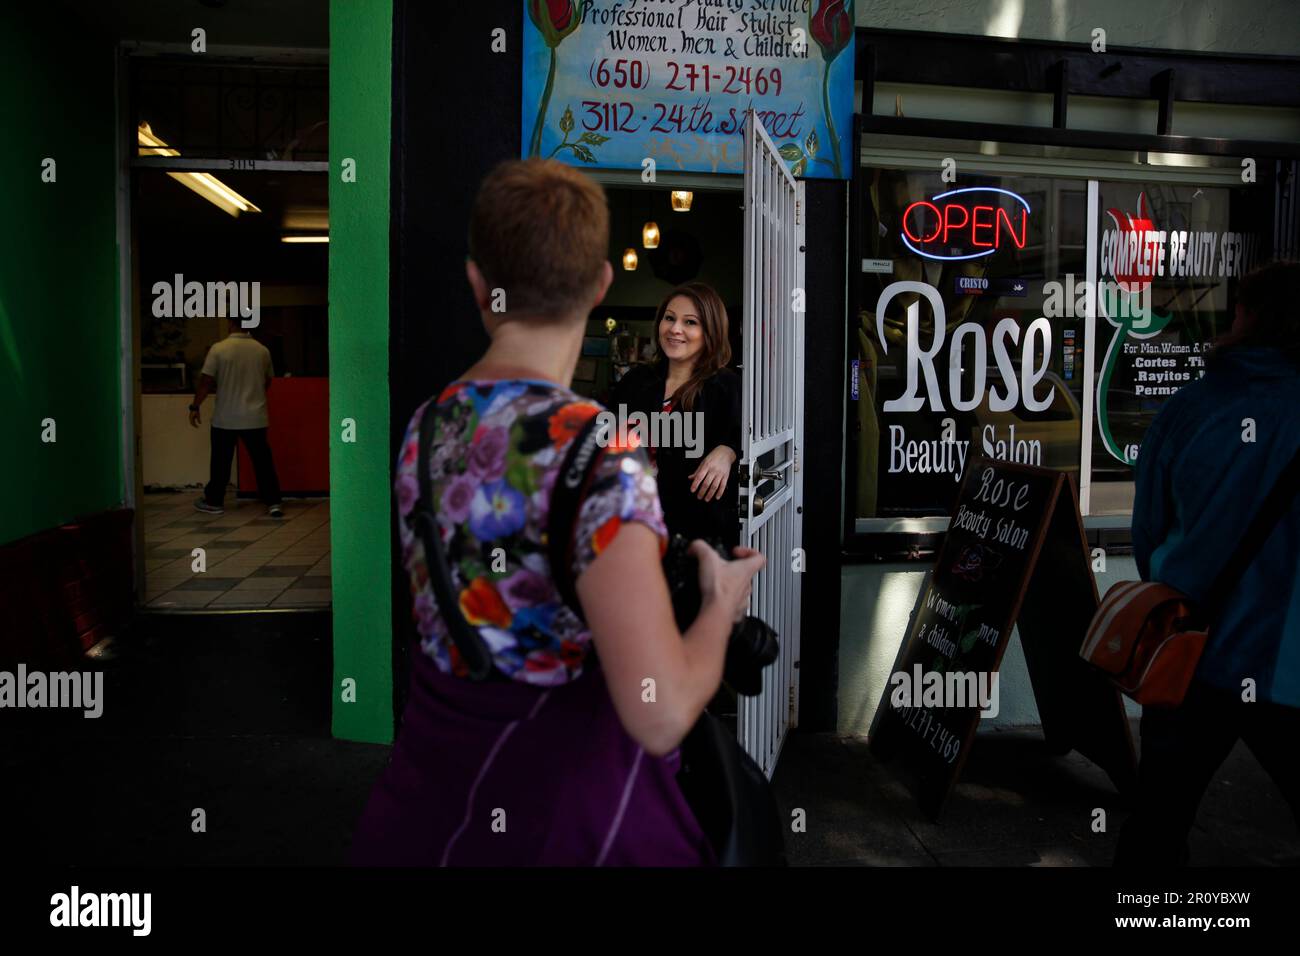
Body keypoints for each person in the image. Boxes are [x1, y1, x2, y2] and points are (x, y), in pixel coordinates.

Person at [349, 158, 765, 866]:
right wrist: (720, 607)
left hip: (429, 811)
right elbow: (659, 714)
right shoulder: (602, 454)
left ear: (478, 283)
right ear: (602, 282)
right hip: (570, 821)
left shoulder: (426, 426)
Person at [1114, 260, 1300, 866]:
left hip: (1195, 650)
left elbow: (1148, 531)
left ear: (1244, 315)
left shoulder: (1193, 407)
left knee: (1157, 824)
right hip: (1289, 666)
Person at [611, 282, 742, 549]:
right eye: (669, 318)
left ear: (710, 331)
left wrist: (728, 451)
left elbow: (751, 440)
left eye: (690, 322)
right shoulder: (635, 380)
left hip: (696, 533)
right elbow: (606, 439)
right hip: (630, 522)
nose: (675, 329)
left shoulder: (727, 386)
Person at [189, 319, 283, 518]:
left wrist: (195, 405)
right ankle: (273, 502)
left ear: (231, 324)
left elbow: (206, 381)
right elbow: (267, 381)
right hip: (255, 416)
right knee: (262, 461)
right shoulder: (262, 351)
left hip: (226, 417)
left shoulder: (219, 349)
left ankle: (214, 501)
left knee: (221, 461)